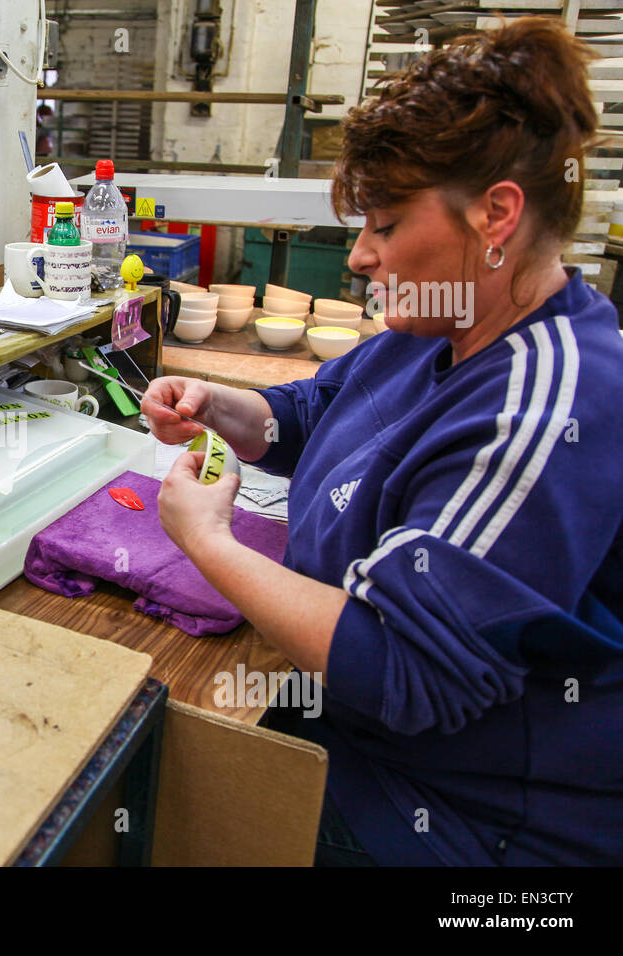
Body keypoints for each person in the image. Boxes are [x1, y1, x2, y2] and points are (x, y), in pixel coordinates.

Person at [146, 18, 623, 865]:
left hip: (457, 813)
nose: (361, 257)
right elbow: (315, 413)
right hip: (351, 725)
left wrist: (207, 541)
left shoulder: (544, 404)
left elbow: (404, 667)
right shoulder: (439, 318)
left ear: (496, 216)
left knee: (153, 793)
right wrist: (223, 406)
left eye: (388, 224)